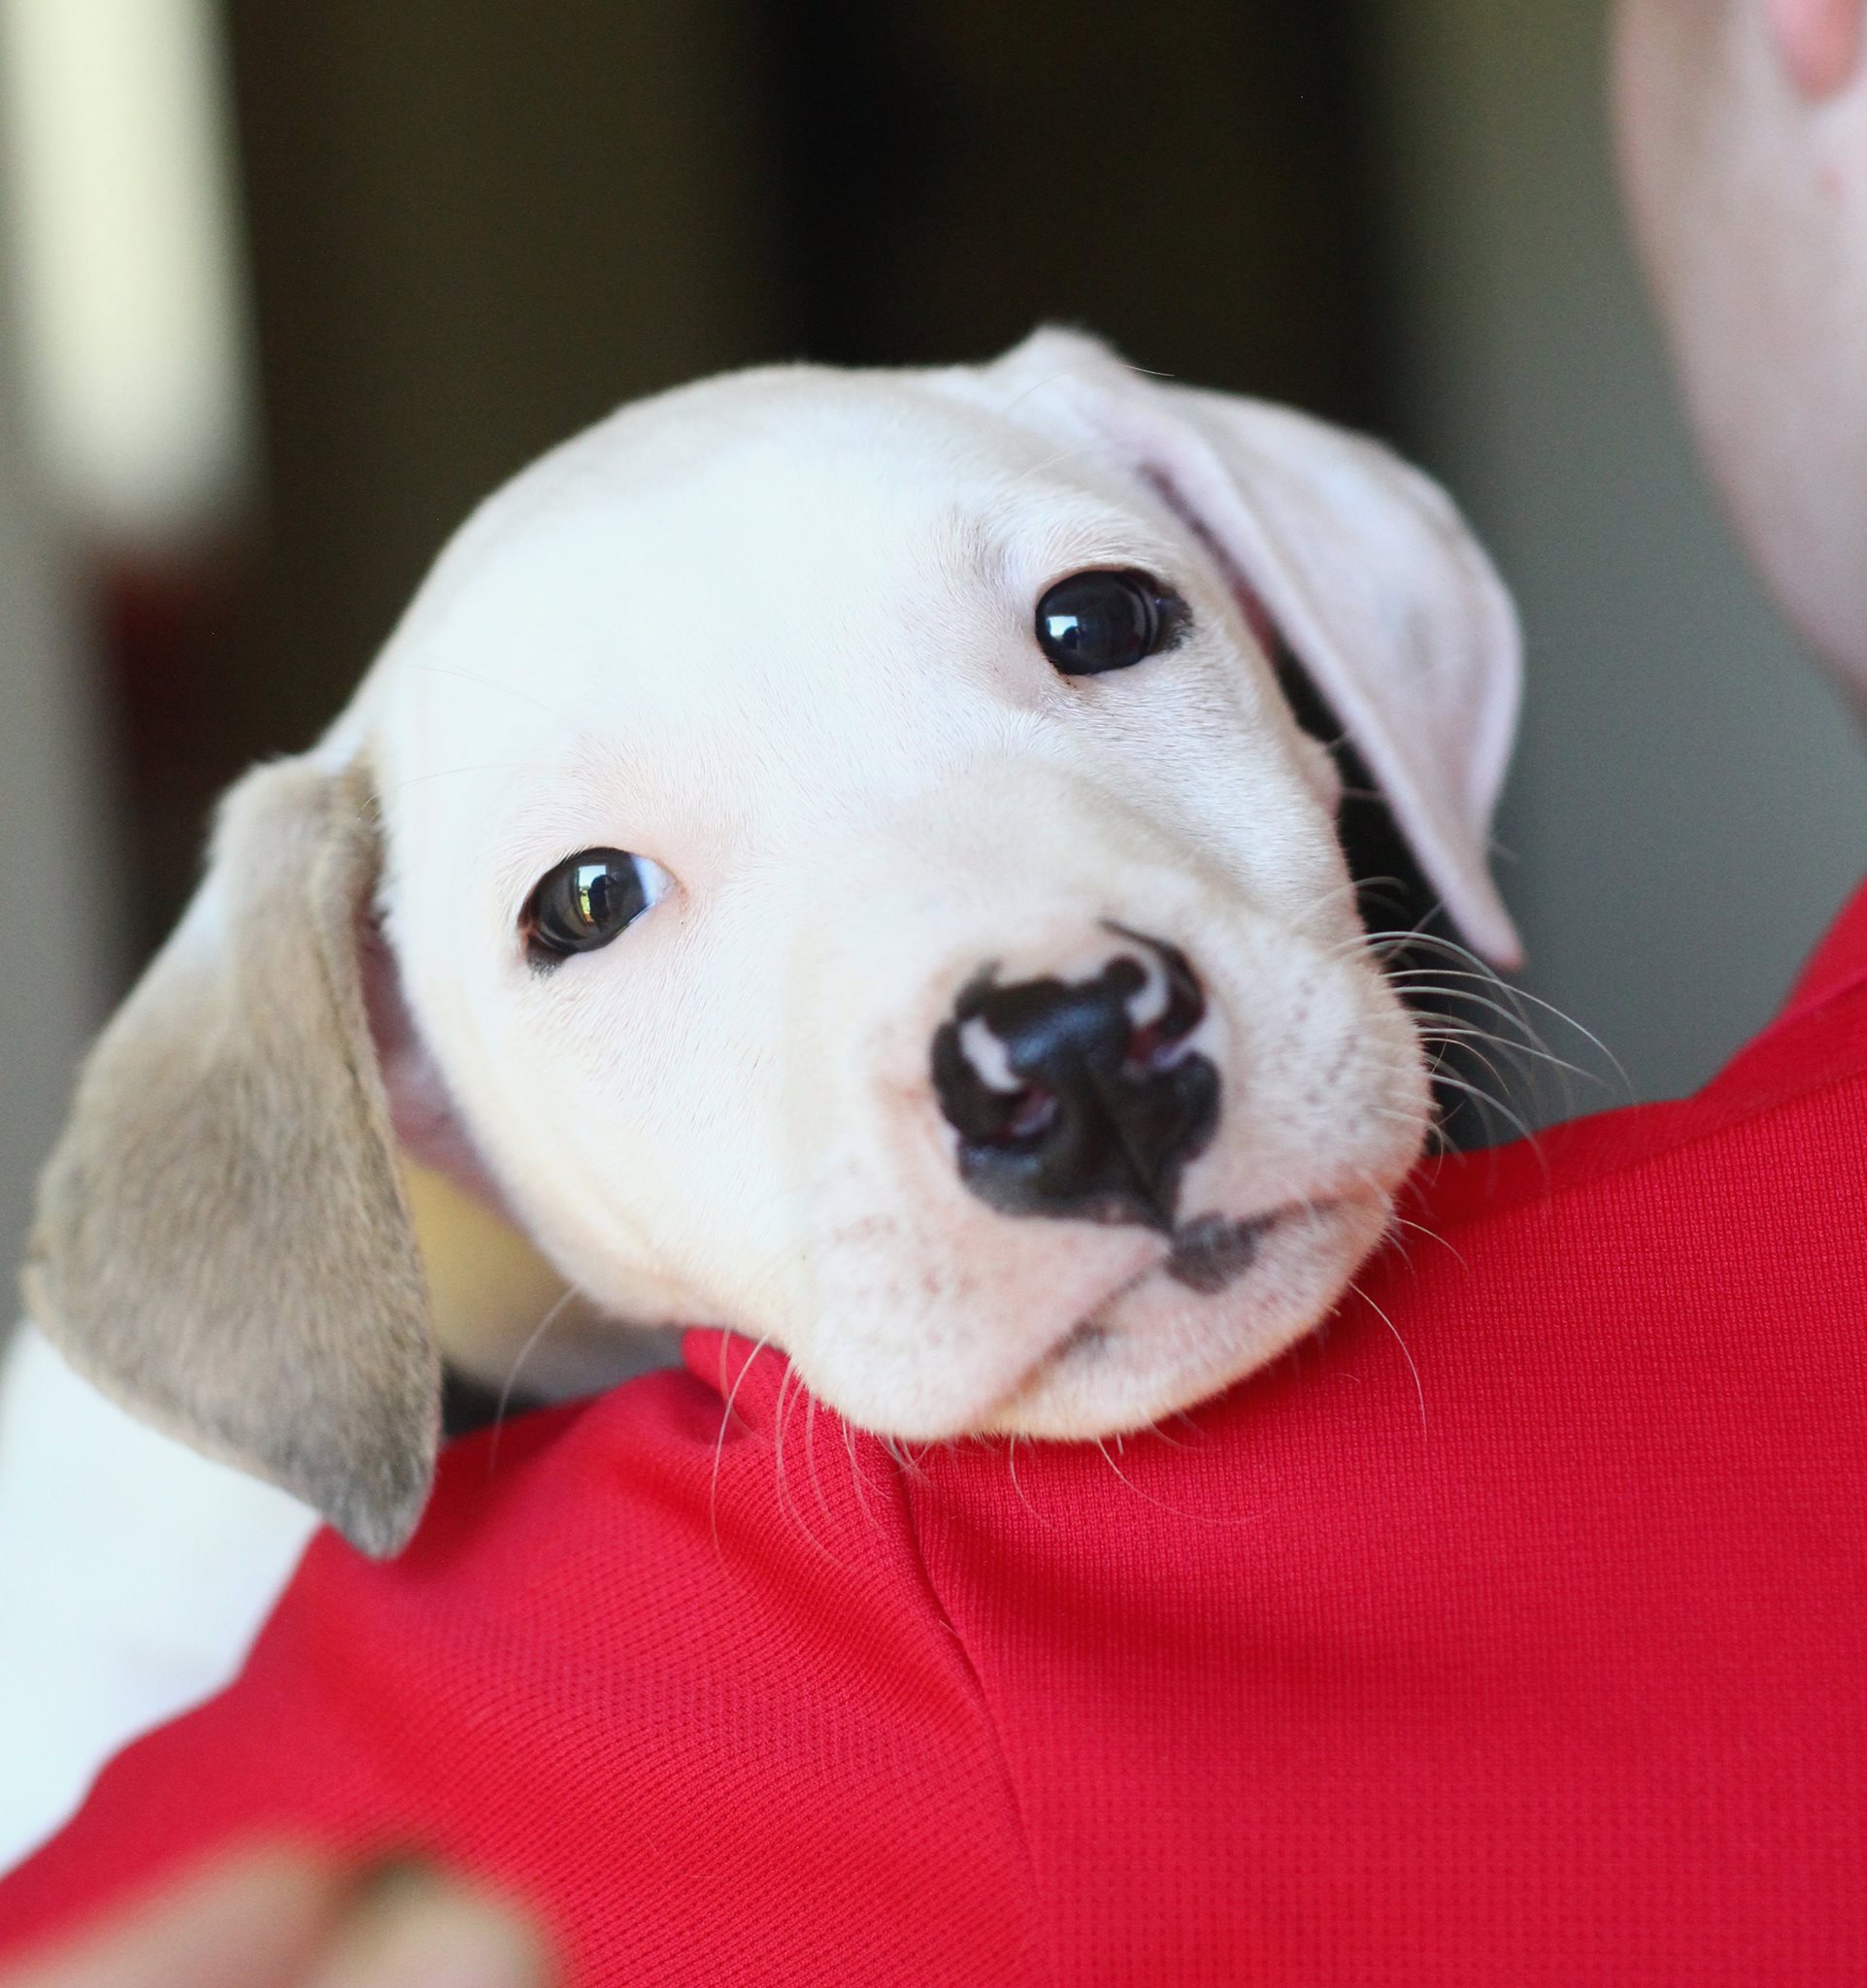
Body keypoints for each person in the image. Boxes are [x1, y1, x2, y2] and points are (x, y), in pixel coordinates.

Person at [3, 1, 1864, 1980]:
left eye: (1092, 624)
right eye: (594, 901)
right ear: (397, 1086)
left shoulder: (840, 1658)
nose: (1057, 1042)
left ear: (1306, 638)